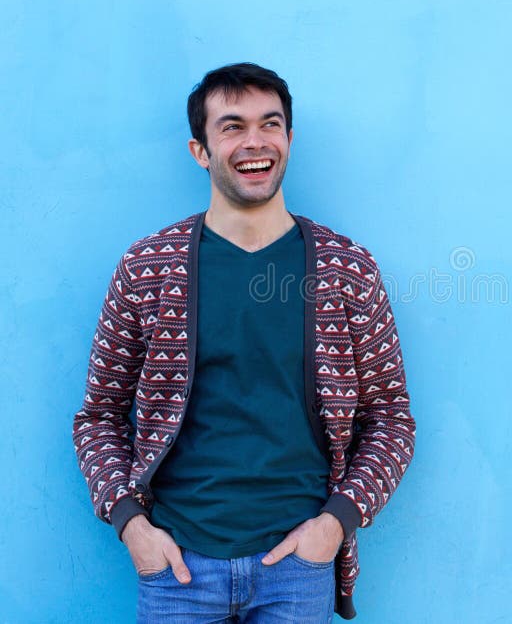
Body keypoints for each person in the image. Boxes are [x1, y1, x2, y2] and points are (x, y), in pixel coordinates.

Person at [73, 62, 415, 623]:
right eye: (231, 126)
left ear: (289, 138)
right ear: (200, 150)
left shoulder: (344, 268)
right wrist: (131, 524)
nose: (254, 142)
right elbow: (100, 415)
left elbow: (391, 417)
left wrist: (337, 523)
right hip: (177, 567)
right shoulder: (148, 268)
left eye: (270, 124)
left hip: (298, 569)